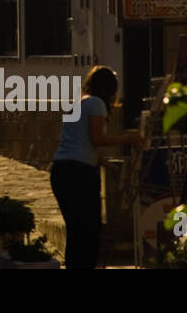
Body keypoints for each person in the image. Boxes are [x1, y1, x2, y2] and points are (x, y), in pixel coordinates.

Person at [50, 65, 142, 268]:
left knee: (76, 231)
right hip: (79, 174)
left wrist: (109, 166)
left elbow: (82, 143)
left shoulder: (79, 103)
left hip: (61, 171)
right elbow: (97, 139)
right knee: (90, 231)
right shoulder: (97, 104)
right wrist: (129, 138)